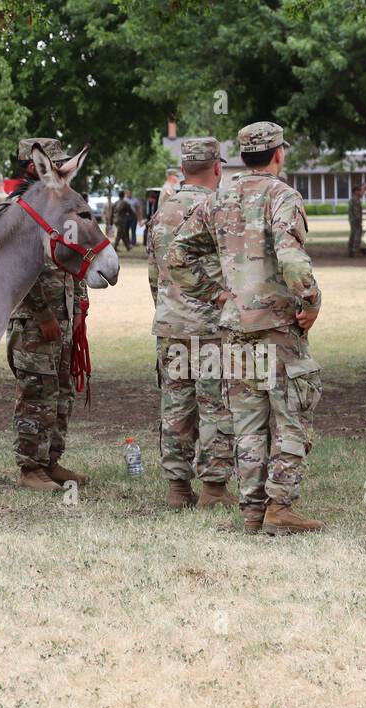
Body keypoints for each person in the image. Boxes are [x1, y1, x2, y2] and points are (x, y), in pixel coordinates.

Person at [167, 120, 324, 536]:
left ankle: (253, 511)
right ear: (278, 154)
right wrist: (310, 301)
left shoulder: (218, 198)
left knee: (248, 423)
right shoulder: (282, 196)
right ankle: (280, 507)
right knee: (291, 417)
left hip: (234, 329)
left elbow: (177, 255)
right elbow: (292, 261)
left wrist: (217, 295)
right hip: (277, 328)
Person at [146, 138, 237, 510]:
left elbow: (155, 274)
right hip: (212, 326)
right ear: (217, 167)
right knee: (215, 404)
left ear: (183, 169)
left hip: (171, 324)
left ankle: (177, 487)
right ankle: (214, 489)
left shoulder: (162, 212)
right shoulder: (219, 208)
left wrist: (167, 307)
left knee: (176, 404)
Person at [3, 137, 91, 491]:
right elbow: (18, 269)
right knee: (37, 391)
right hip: (35, 321)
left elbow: (75, 258)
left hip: (66, 313)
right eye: (56, 165)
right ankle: (29, 468)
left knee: (61, 391)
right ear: (32, 167)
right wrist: (42, 313)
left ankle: (50, 461)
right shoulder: (17, 210)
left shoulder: (57, 207)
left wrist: (80, 305)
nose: (62, 171)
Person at [347, 185, 365, 256]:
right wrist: (359, 220)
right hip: (356, 220)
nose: (360, 192)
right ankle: (355, 251)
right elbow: (356, 212)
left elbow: (361, 195)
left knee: (353, 234)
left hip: (353, 220)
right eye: (359, 191)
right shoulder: (355, 200)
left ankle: (351, 250)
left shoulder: (354, 199)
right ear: (355, 192)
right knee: (357, 234)